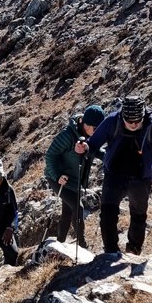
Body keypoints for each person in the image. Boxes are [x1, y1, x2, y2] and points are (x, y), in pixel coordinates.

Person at [75, 95, 152, 254]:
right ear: (123, 116)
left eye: (138, 121)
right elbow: (92, 145)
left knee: (138, 216)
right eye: (130, 122)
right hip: (114, 176)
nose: (134, 124)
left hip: (141, 179)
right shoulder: (112, 121)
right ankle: (110, 251)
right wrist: (83, 148)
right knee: (107, 216)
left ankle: (134, 251)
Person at [45, 104, 106, 246]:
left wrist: (111, 157)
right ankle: (82, 244)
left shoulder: (90, 136)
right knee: (78, 208)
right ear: (86, 124)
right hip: (59, 179)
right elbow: (50, 155)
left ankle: (59, 243)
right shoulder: (67, 135)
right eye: (96, 129)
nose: (98, 132)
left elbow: (96, 151)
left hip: (74, 181)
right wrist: (57, 176)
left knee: (67, 212)